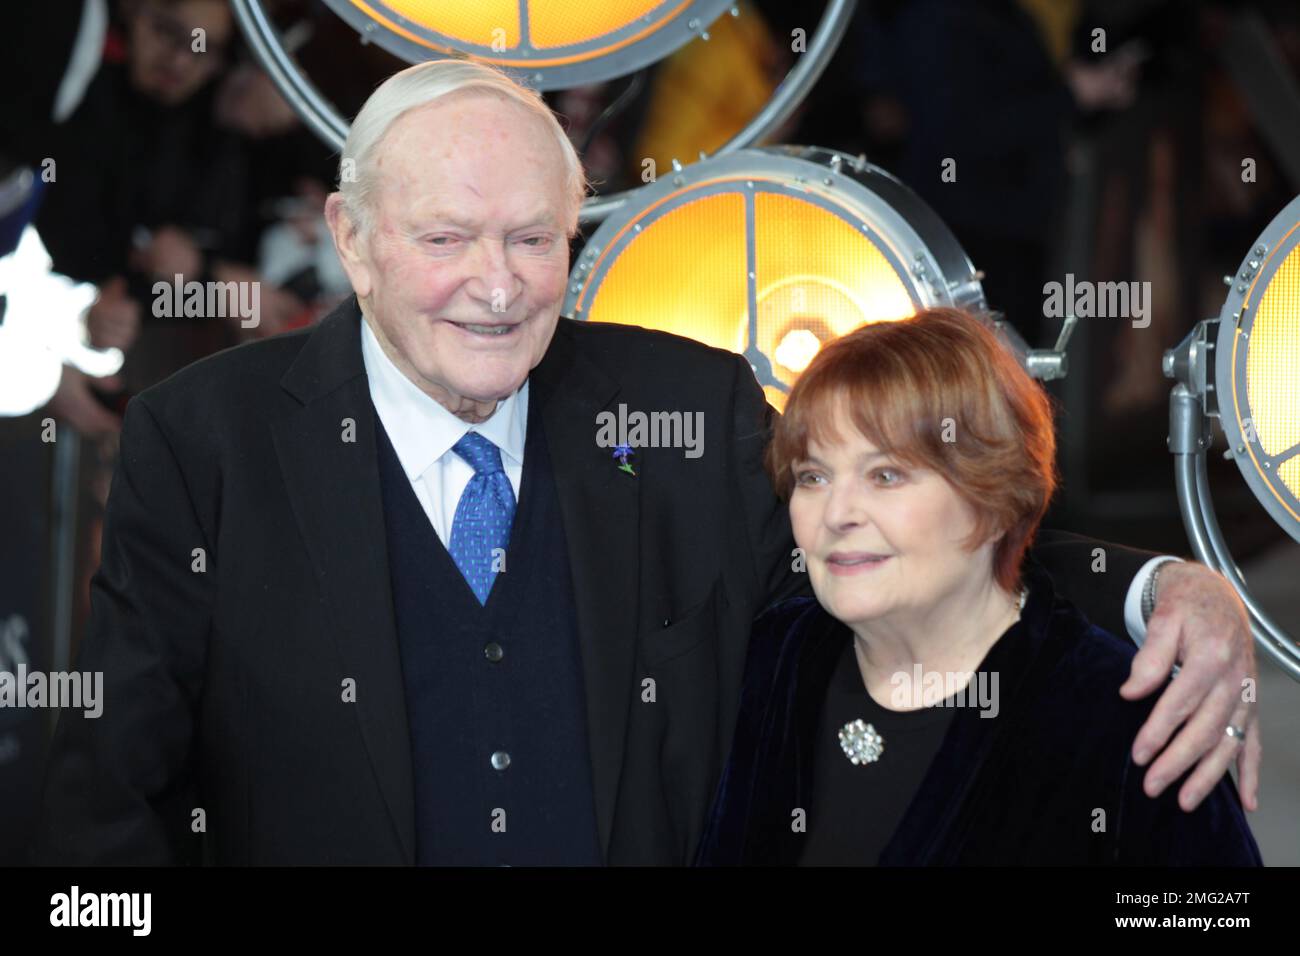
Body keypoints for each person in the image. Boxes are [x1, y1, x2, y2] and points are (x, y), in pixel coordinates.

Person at [34, 60, 1259, 866]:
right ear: (351, 240)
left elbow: (904, 556)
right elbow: (104, 798)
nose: (499, 282)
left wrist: (1160, 591)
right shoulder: (204, 440)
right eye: (447, 238)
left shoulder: (683, 403)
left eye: (532, 237)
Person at [695, 309, 1261, 865]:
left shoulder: (1122, 724)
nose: (837, 512)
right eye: (813, 477)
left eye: (885, 475)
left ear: (992, 500)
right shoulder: (766, 663)